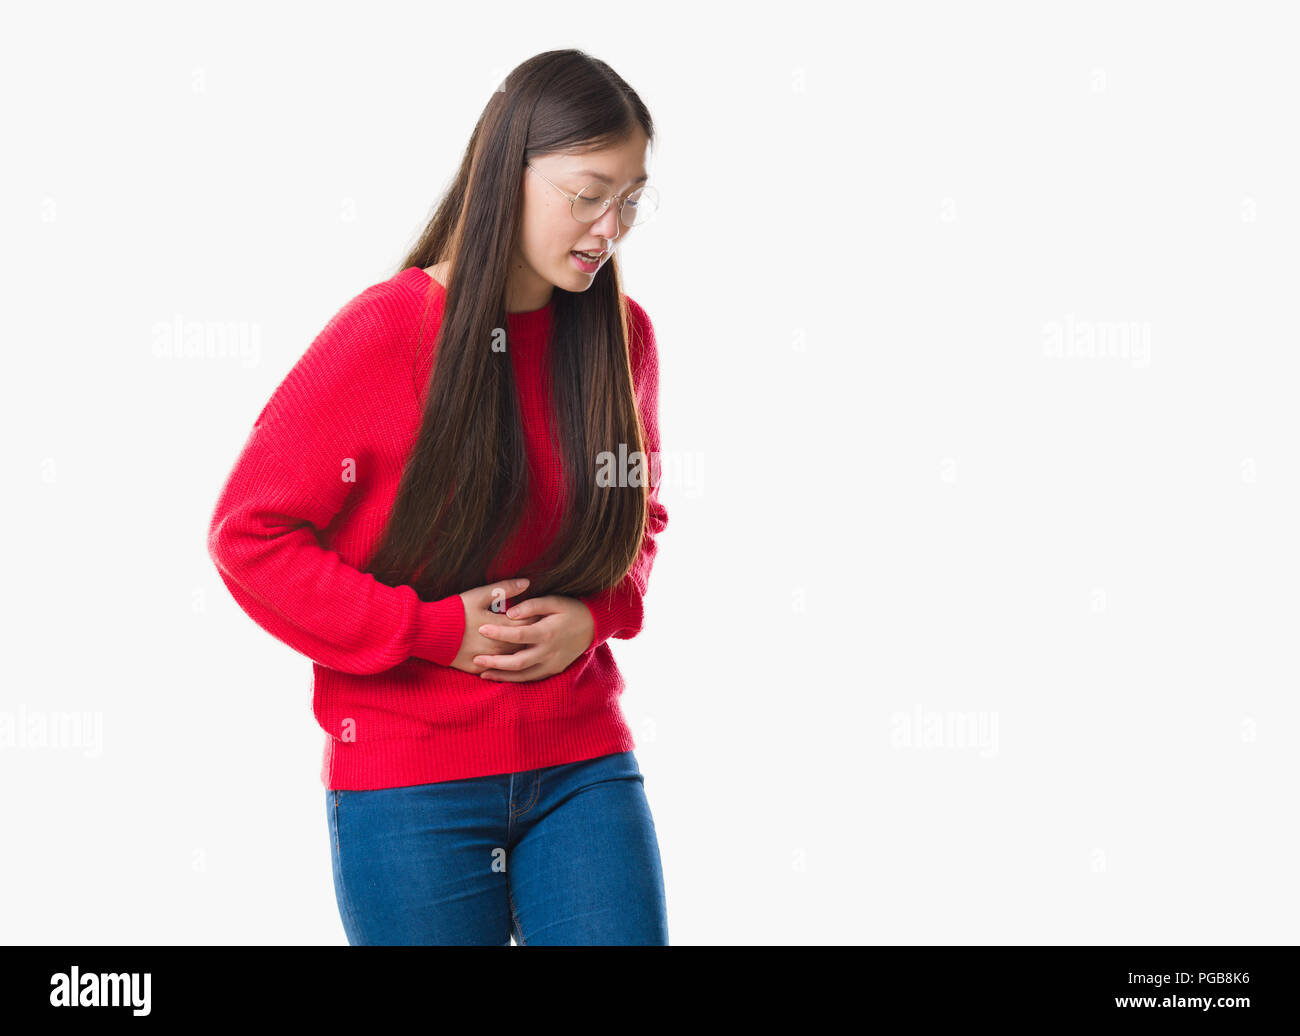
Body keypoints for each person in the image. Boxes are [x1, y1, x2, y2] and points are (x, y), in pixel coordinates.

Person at [206, 49, 669, 945]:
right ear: (510, 170)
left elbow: (640, 512)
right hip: (408, 781)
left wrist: (598, 611)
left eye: (633, 198)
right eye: (588, 192)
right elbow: (250, 535)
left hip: (583, 764)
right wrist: (427, 633)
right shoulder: (384, 333)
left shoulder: (623, 337)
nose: (611, 224)